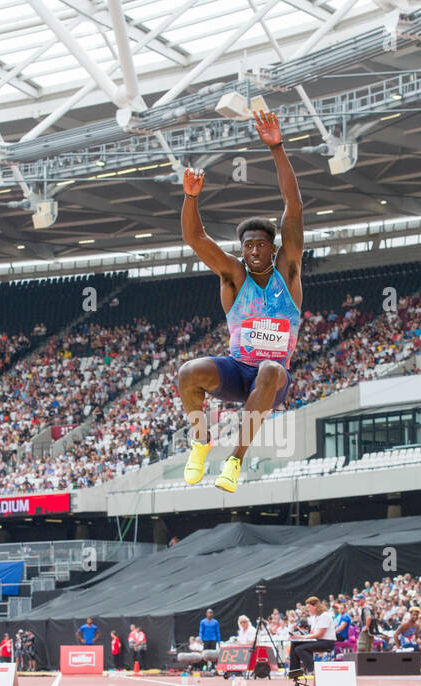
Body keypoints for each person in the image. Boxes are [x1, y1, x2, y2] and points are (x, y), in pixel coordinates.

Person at [176, 109, 304, 493]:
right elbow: (195, 239)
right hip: (236, 371)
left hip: (272, 379)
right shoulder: (233, 278)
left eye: (260, 245)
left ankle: (235, 460)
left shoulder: (289, 272)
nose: (253, 252)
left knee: (268, 369)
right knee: (187, 372)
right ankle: (201, 443)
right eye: (247, 246)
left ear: (272, 247)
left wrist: (277, 147)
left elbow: (292, 208)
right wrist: (190, 197)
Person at [288, 596, 334, 678]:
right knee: (294, 643)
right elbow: (313, 633)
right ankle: (294, 671)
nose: (308, 609)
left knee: (299, 648)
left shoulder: (325, 616)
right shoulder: (315, 617)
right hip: (318, 640)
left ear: (315, 606)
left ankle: (312, 670)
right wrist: (300, 636)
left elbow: (320, 634)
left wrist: (302, 637)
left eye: (309, 607)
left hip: (327, 642)